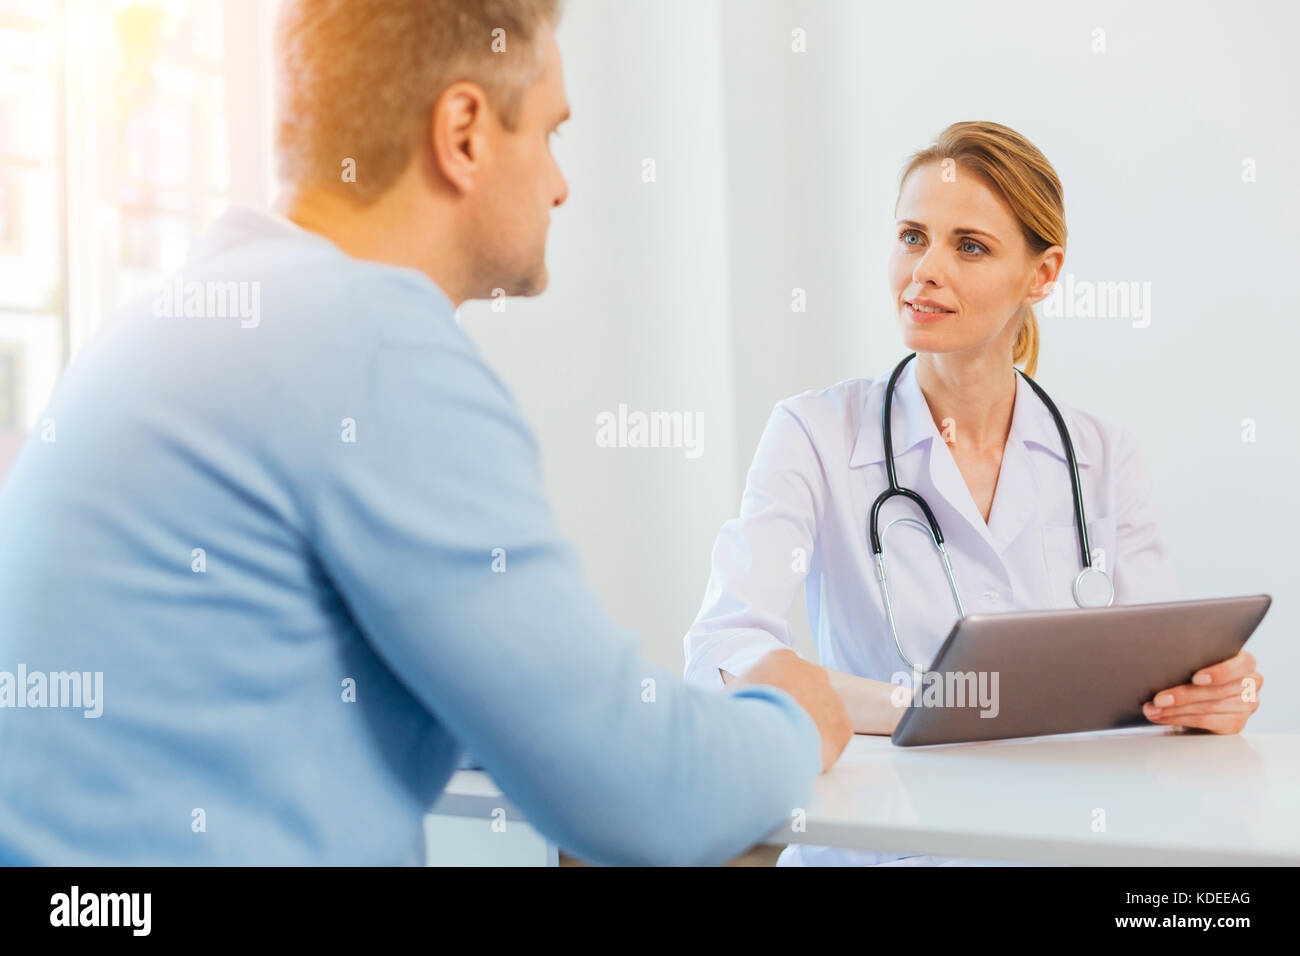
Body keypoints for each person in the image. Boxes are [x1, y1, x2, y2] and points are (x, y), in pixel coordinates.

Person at [0, 0, 852, 866]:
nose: (560, 184)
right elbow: (638, 797)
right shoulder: (365, 341)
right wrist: (793, 722)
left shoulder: (180, 320)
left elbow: (550, 730)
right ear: (466, 133)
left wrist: (624, 747)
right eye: (552, 134)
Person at [683, 121, 1263, 867]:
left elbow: (1155, 677)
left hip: (1058, 846)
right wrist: (930, 710)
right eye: (911, 236)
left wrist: (1214, 696)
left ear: (1042, 273)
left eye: (969, 246)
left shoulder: (1102, 455)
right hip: (876, 851)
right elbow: (724, 653)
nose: (923, 270)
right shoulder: (816, 432)